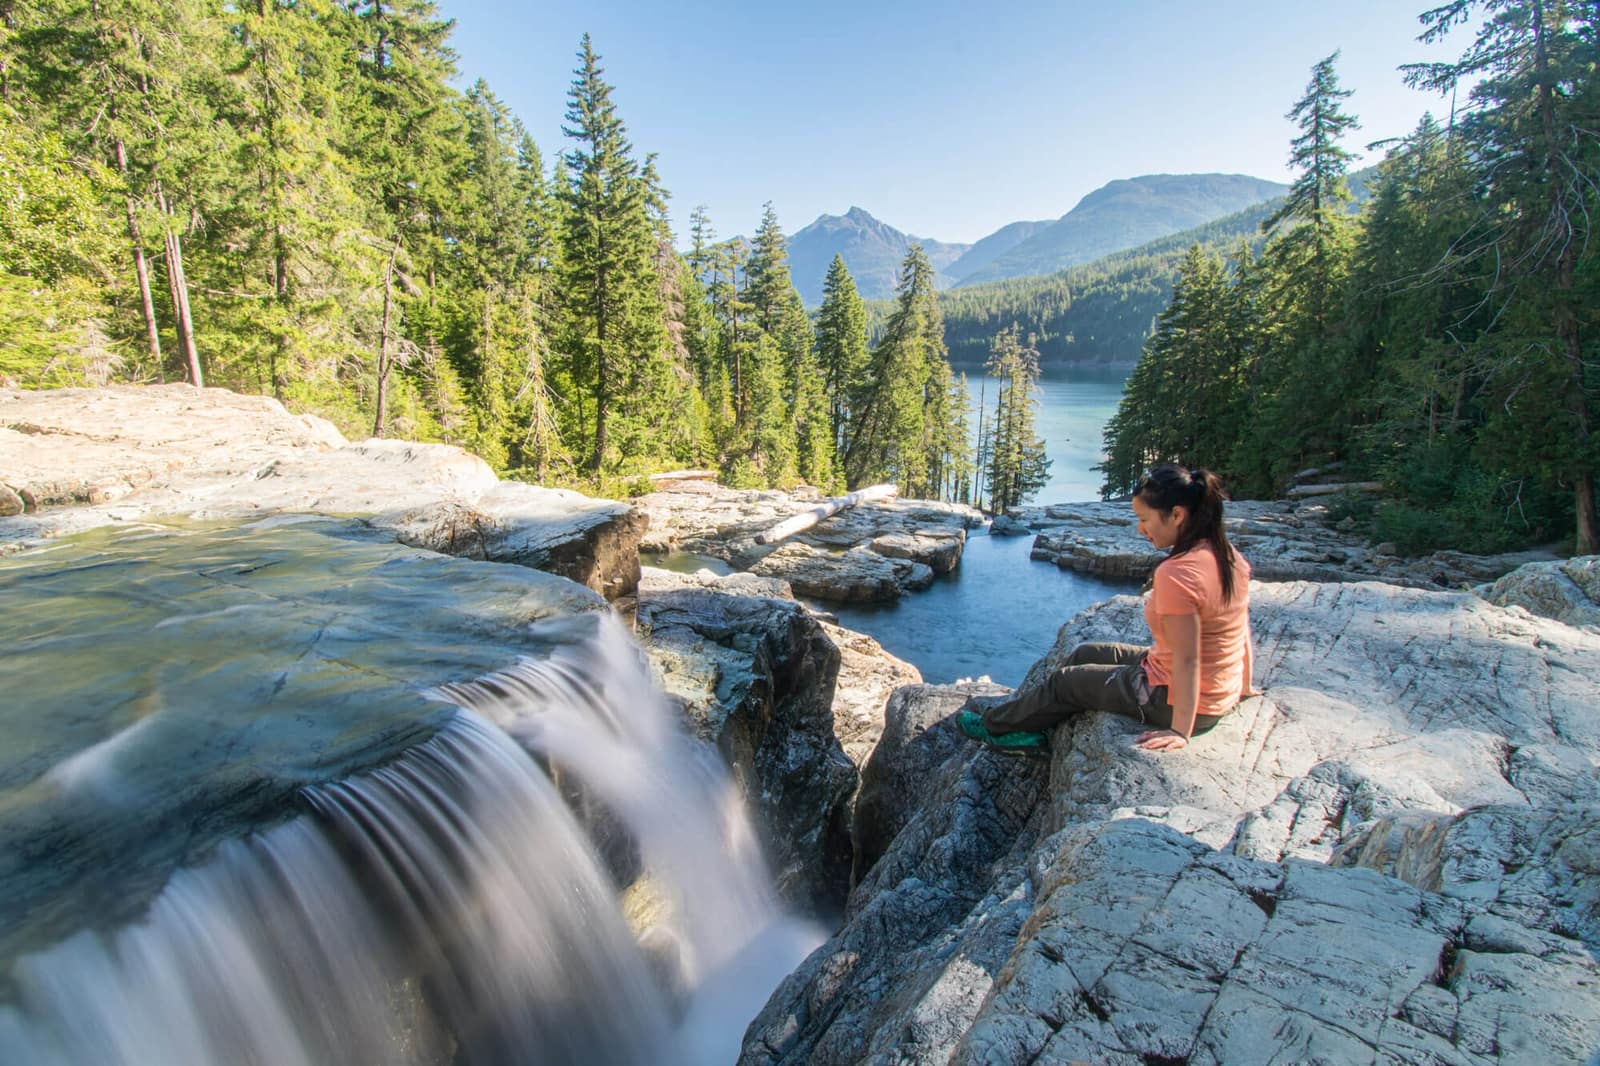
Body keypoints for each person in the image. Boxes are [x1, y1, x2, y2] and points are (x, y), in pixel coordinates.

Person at [958, 463, 1256, 756]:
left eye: (1144, 519)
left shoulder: (1178, 574)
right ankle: (1036, 721)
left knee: (1067, 682)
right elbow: (1240, 628)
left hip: (1171, 698)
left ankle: (995, 727)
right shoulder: (1228, 556)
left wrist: (1180, 730)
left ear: (1177, 515)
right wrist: (1244, 686)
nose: (1140, 529)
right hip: (1211, 687)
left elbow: (1188, 660)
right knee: (1086, 653)